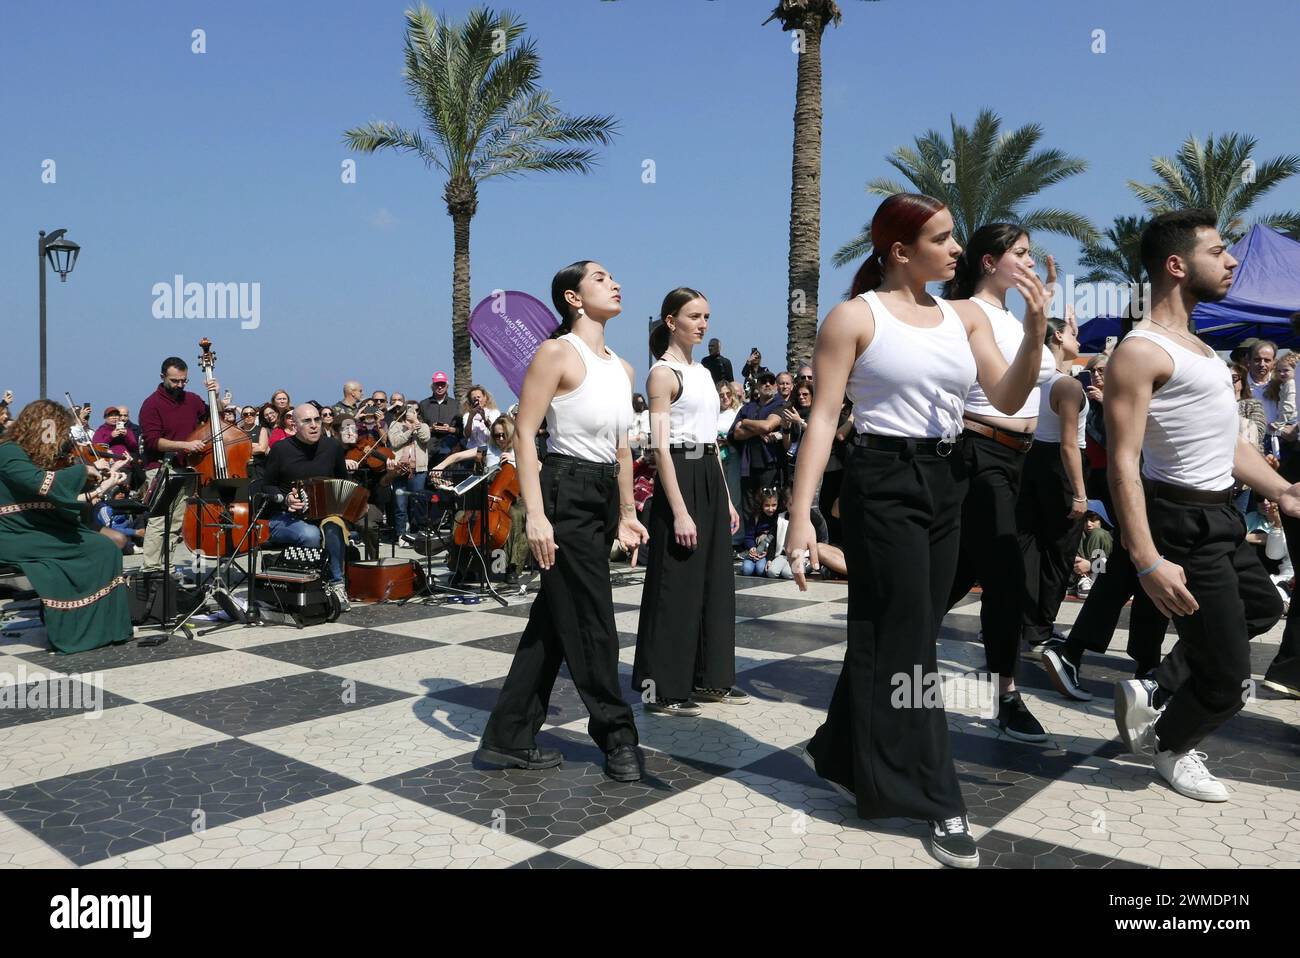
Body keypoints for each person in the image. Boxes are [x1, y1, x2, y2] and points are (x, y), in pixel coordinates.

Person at [785, 193, 1049, 869]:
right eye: (942, 237)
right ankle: (938, 799)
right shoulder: (854, 317)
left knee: (898, 632)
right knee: (908, 642)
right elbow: (821, 421)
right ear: (901, 252)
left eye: (955, 237)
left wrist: (1038, 326)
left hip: (950, 479)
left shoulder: (962, 317)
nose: (956, 249)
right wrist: (800, 518)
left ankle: (839, 752)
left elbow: (1010, 397)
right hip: (883, 483)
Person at [1102, 209, 1293, 802]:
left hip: (1223, 517)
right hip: (1181, 519)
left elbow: (1226, 441)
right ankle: (1171, 747)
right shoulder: (1140, 352)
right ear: (1177, 265)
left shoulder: (1203, 350)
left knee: (1262, 606)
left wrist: (1281, 489)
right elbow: (1122, 463)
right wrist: (1146, 560)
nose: (1232, 260)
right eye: (1218, 251)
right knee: (1231, 681)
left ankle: (1159, 685)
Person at [478, 260, 647, 784]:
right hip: (563, 487)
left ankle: (509, 734)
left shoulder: (622, 368)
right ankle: (616, 735)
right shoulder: (556, 353)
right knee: (594, 617)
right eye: (599, 278)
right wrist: (536, 516)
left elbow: (621, 448)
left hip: (600, 491)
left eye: (613, 276)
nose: (614, 282)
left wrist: (627, 514)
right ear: (573, 299)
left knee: (555, 619)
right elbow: (525, 435)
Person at [935, 223, 1059, 744]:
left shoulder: (1015, 317)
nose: (1030, 262)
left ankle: (888, 647)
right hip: (980, 451)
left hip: (1023, 460)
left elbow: (1044, 375)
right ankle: (1008, 698)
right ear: (989, 261)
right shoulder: (966, 312)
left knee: (956, 573)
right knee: (1007, 574)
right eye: (1021, 253)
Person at [633, 288, 744, 718]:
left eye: (707, 316)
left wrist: (727, 499)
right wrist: (679, 509)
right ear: (670, 321)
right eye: (694, 316)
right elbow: (660, 448)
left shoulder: (700, 371)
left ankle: (710, 678)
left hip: (708, 474)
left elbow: (712, 442)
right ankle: (662, 688)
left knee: (716, 580)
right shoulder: (662, 374)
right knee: (675, 584)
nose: (703, 323)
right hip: (678, 473)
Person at [0, 400, 132, 653]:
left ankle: (106, 628)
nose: (60, 439)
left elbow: (65, 500)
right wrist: (82, 471)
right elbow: (41, 484)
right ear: (42, 427)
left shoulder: (29, 454)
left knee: (105, 548)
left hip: (38, 529)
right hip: (14, 534)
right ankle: (75, 633)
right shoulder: (8, 452)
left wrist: (104, 485)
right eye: (58, 431)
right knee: (96, 547)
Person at [1017, 312, 1089, 648]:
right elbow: (1069, 443)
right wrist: (1079, 492)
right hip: (1061, 465)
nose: (1079, 339)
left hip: (1031, 460)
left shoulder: (1031, 377)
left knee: (1030, 547)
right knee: (1060, 552)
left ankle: (1023, 622)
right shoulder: (1068, 385)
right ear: (1057, 337)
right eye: (1072, 334)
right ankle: (1040, 628)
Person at [263, 403, 353, 611]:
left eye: (317, 420)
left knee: (334, 527)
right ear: (294, 424)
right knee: (311, 534)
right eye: (307, 421)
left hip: (323, 513)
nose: (314, 425)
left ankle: (336, 584)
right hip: (285, 516)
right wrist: (285, 499)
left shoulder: (333, 447)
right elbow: (266, 486)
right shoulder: (281, 449)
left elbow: (343, 482)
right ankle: (312, 585)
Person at [139, 356, 213, 573]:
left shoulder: (192, 399)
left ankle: (168, 568)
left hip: (187, 468)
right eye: (175, 381)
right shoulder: (151, 404)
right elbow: (154, 441)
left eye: (183, 381)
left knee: (176, 524)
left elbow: (212, 415)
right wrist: (185, 445)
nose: (180, 385)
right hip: (161, 468)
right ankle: (151, 569)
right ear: (162, 377)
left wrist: (215, 395)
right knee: (158, 521)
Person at [729, 371, 784, 516]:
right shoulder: (747, 408)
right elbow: (736, 434)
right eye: (763, 381)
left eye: (771, 381)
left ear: (775, 385)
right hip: (748, 466)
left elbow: (768, 426)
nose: (767, 384)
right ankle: (749, 539)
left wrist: (746, 422)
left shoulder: (781, 404)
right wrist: (760, 430)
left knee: (770, 507)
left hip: (770, 467)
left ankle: (766, 538)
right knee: (748, 509)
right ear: (757, 386)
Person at [387, 402, 430, 544]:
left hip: (418, 470)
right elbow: (394, 441)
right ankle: (401, 535)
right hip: (400, 470)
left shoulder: (423, 425)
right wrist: (409, 430)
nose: (413, 412)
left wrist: (416, 424)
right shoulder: (395, 424)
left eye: (416, 410)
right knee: (400, 505)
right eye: (410, 409)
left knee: (417, 503)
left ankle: (416, 534)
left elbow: (425, 438)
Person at [417, 372, 462, 457]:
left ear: (447, 386)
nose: (440, 387)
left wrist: (449, 429)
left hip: (451, 449)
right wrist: (431, 428)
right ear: (432, 387)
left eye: (442, 384)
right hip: (428, 449)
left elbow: (462, 430)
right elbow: (418, 428)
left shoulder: (456, 404)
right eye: (437, 384)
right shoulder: (423, 404)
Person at [461, 385, 500, 450]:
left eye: (479, 397)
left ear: (485, 398)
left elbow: (496, 432)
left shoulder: (494, 413)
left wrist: (484, 418)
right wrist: (471, 417)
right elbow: (467, 435)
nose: (477, 399)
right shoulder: (467, 415)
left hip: (491, 448)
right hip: (473, 449)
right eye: (474, 398)